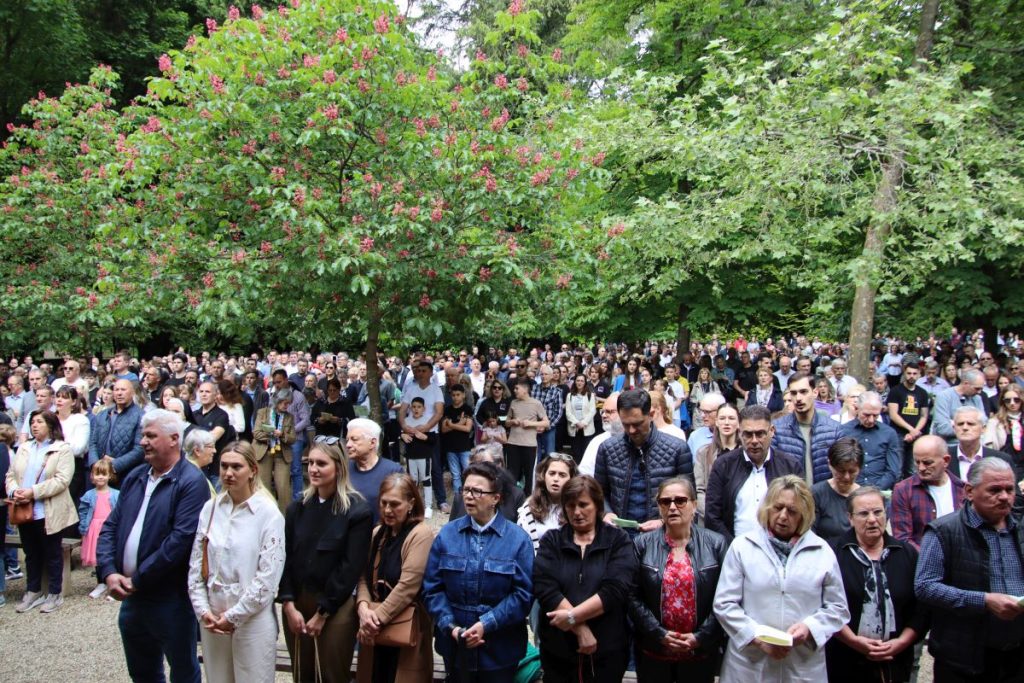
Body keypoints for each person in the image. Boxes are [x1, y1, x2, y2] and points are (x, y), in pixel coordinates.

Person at [96, 409, 209, 682]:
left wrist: (138, 579)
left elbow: (179, 542)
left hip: (170, 598)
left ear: (173, 439)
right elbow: (111, 527)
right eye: (142, 435)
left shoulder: (191, 482)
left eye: (150, 436)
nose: (143, 442)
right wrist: (109, 571)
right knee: (143, 673)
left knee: (183, 672)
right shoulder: (136, 477)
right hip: (132, 597)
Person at [713, 475, 849, 681]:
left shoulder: (822, 551)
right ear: (767, 507)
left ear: (804, 514)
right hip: (750, 664)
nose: (783, 516)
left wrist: (810, 628)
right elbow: (724, 604)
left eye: (792, 511)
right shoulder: (742, 547)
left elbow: (838, 608)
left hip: (802, 663)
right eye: (778, 508)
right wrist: (756, 637)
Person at [423, 461, 534, 683]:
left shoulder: (518, 540)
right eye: (465, 489)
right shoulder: (447, 535)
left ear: (496, 498)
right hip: (455, 646)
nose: (469, 496)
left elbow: (524, 595)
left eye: (477, 491)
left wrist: (486, 623)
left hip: (500, 650)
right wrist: (450, 626)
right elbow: (432, 589)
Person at [915, 457, 1024, 681]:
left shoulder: (1020, 528)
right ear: (969, 491)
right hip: (963, 658)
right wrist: (984, 600)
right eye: (995, 490)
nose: (1004, 497)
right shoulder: (943, 531)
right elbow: (925, 586)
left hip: (1017, 656)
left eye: (1009, 489)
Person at [188, 441, 285, 683]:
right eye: (224, 466)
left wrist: (234, 615)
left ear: (252, 470)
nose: (229, 473)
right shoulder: (210, 509)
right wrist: (203, 610)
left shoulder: (268, 513)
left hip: (252, 618)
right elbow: (196, 565)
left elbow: (268, 578)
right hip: (213, 615)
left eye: (236, 467)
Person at [278, 442, 372, 683]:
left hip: (335, 603)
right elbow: (285, 558)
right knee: (302, 672)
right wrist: (288, 604)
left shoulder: (357, 510)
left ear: (338, 468)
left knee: (331, 672)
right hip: (298, 601)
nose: (314, 469)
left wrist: (323, 613)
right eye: (310, 463)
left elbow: (350, 567)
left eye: (321, 463)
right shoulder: (296, 508)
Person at [533, 475, 637, 682]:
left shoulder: (617, 540)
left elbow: (615, 589)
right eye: (570, 506)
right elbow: (545, 587)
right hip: (559, 651)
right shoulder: (552, 540)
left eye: (583, 505)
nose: (577, 512)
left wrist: (571, 617)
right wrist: (580, 629)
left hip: (606, 650)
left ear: (597, 506)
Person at [630, 477, 728, 683]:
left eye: (680, 501)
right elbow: (632, 596)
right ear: (659, 507)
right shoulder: (642, 544)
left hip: (700, 651)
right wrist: (659, 634)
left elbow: (726, 597)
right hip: (654, 650)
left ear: (694, 505)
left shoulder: (716, 544)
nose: (672, 507)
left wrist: (700, 637)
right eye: (665, 502)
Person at [827, 487, 925, 683]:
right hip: (844, 658)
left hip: (896, 659)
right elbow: (822, 602)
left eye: (878, 512)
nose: (872, 519)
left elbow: (922, 608)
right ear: (850, 518)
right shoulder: (832, 552)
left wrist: (902, 642)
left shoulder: (906, 553)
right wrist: (853, 641)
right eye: (863, 513)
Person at [355, 473, 435, 683]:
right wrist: (363, 608)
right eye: (383, 503)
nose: (388, 510)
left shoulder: (421, 534)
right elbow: (362, 576)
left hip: (403, 625)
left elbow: (408, 586)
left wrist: (374, 620)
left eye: (395, 504)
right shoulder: (377, 533)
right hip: (375, 626)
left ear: (411, 503)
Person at [593, 389, 695, 531]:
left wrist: (662, 521)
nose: (632, 430)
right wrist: (606, 512)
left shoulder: (678, 449)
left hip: (662, 535)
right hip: (619, 535)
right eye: (626, 424)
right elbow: (598, 493)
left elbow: (688, 499)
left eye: (637, 424)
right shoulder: (607, 449)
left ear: (651, 415)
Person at [8, 411, 78, 613]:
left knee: (52, 553)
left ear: (50, 424)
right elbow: (11, 474)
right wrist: (15, 490)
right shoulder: (24, 448)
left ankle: (55, 594)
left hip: (49, 510)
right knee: (31, 553)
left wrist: (33, 492)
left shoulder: (62, 449)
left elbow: (62, 480)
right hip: (25, 509)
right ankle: (33, 590)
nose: (34, 425)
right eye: (32, 422)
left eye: (39, 421)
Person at [705, 405, 803, 544]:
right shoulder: (723, 465)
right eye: (748, 434)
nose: (754, 441)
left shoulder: (790, 466)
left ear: (772, 431)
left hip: (779, 550)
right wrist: (732, 548)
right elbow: (712, 515)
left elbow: (801, 512)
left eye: (760, 433)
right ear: (739, 433)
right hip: (734, 551)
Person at [773, 373, 842, 485]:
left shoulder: (834, 429)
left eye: (803, 392)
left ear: (815, 392)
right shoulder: (777, 429)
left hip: (822, 498)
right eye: (793, 393)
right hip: (790, 497)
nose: (798, 398)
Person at [449, 443, 527, 522]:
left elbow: (520, 531)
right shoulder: (461, 496)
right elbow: (451, 530)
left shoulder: (515, 495)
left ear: (499, 465)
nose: (478, 470)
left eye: (484, 465)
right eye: (473, 465)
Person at [347, 417, 404, 525]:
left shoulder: (392, 471)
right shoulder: (344, 470)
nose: (348, 445)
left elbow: (400, 511)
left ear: (372, 443)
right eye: (348, 439)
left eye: (354, 439)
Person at [840, 392, 902, 490]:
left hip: (880, 491)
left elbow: (893, 470)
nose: (871, 420)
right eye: (867, 415)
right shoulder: (843, 431)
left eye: (875, 415)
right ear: (857, 409)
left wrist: (875, 490)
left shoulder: (889, 433)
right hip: (850, 490)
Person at [517, 453, 577, 552]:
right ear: (543, 476)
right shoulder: (528, 508)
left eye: (562, 475)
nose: (556, 479)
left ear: (571, 479)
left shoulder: (577, 508)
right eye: (552, 473)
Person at [88, 378, 145, 478]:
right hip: (100, 473)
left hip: (126, 474)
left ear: (132, 393)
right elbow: (93, 443)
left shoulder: (141, 417)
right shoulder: (102, 415)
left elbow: (139, 449)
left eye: (123, 390)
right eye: (116, 390)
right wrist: (96, 464)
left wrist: (114, 465)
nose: (119, 393)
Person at [811, 438, 864, 548]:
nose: (846, 477)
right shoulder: (816, 493)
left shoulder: (865, 497)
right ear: (830, 465)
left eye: (852, 471)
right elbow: (810, 534)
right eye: (841, 471)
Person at [78, 459, 120, 596]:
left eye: (104, 474)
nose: (101, 477)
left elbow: (121, 512)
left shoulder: (116, 494)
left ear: (110, 476)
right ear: (92, 476)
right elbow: (83, 512)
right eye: (97, 474)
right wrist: (84, 527)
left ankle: (113, 584)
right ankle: (100, 583)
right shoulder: (88, 495)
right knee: (97, 557)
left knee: (112, 555)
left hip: (110, 528)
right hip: (94, 528)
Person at [253, 388, 297, 515]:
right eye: (284, 402)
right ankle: (262, 515)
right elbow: (256, 433)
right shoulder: (263, 412)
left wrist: (282, 434)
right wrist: (271, 434)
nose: (286, 406)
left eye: (288, 403)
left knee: (283, 488)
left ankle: (285, 518)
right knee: (263, 486)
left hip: (281, 454)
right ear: (277, 401)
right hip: (264, 451)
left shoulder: (289, 417)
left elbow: (293, 438)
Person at [694, 403, 739, 517]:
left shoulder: (746, 454)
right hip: (710, 517)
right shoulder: (703, 453)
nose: (727, 422)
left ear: (739, 423)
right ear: (717, 422)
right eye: (722, 418)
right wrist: (711, 514)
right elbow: (698, 489)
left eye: (731, 418)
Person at [888, 362, 932, 477]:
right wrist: (911, 430)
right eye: (909, 373)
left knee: (913, 469)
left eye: (914, 373)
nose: (911, 376)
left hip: (916, 435)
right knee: (897, 469)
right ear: (904, 373)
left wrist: (915, 432)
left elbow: (924, 415)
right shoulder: (895, 391)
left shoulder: (922, 393)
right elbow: (893, 414)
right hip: (898, 434)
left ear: (919, 375)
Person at [505, 378, 550, 490]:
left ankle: (528, 499)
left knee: (529, 474)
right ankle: (512, 497)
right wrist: (512, 421)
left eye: (517, 388)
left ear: (525, 390)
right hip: (513, 443)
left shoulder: (536, 403)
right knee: (511, 474)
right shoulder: (513, 402)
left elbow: (546, 422)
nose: (514, 390)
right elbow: (506, 422)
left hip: (529, 445)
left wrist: (531, 423)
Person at [55, 385, 91, 508]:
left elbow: (78, 448)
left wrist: (56, 446)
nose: (59, 400)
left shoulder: (80, 420)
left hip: (72, 466)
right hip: (50, 465)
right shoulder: (50, 418)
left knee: (64, 505)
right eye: (58, 397)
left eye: (64, 397)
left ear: (74, 401)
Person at [931, 369, 988, 445]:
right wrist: (973, 426)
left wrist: (954, 423)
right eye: (977, 388)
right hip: (949, 445)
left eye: (981, 389)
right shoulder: (944, 397)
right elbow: (943, 429)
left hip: (974, 445)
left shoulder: (977, 398)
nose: (979, 392)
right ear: (966, 383)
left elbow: (984, 424)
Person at [441, 383, 475, 497]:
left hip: (464, 447)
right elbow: (444, 429)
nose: (455, 397)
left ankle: (469, 495)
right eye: (453, 395)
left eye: (458, 394)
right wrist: (459, 423)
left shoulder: (467, 409)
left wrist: (452, 425)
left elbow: (467, 428)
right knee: (455, 474)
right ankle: (458, 498)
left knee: (467, 473)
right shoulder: (447, 410)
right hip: (451, 447)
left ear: (463, 395)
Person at [984, 384, 1024, 467]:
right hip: (1005, 465)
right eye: (1008, 400)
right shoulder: (994, 422)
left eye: (1016, 400)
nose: (1012, 403)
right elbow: (988, 447)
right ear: (1003, 402)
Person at [565, 374, 597, 464]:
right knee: (576, 453)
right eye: (578, 380)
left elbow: (592, 411)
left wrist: (583, 423)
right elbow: (568, 412)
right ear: (575, 382)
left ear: (585, 382)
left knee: (586, 453)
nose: (579, 383)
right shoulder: (569, 395)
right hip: (574, 428)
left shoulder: (590, 395)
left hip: (587, 428)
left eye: (582, 381)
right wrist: (577, 423)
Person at [183, 428, 219, 499]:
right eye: (211, 447)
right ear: (197, 451)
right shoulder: (194, 476)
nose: (215, 451)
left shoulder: (186, 469)